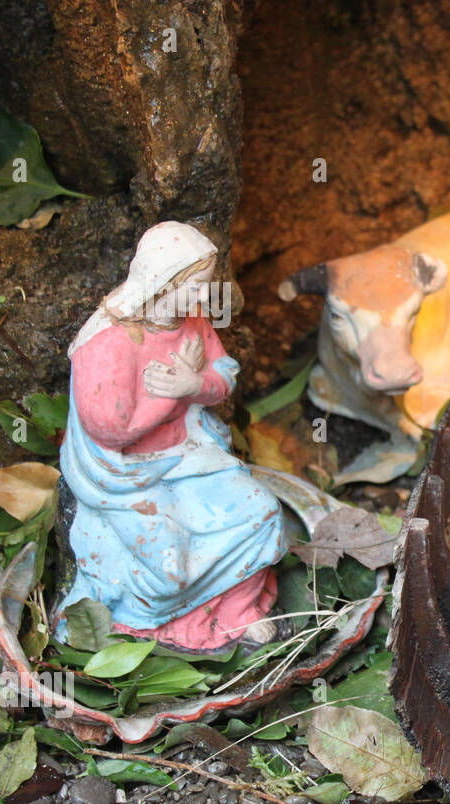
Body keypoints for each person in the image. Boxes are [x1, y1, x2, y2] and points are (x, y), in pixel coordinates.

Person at [55, 222, 286, 654]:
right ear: (162, 281)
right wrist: (173, 396)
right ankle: (144, 625)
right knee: (169, 567)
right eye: (195, 286)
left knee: (264, 513)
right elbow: (111, 429)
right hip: (126, 476)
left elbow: (222, 375)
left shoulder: (191, 321)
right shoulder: (107, 342)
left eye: (206, 285)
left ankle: (237, 611)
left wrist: (195, 384)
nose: (204, 298)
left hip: (190, 456)